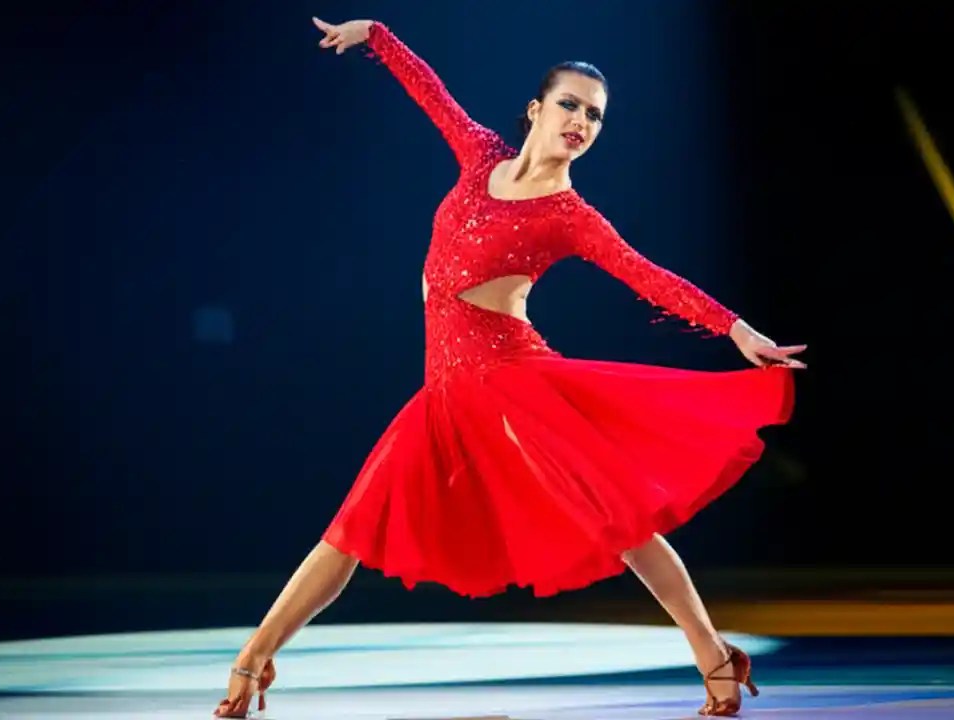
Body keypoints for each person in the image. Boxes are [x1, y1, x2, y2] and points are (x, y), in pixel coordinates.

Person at [213, 15, 806, 718]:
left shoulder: (571, 216)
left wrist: (735, 328)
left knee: (619, 520)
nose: (581, 121)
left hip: (513, 383)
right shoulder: (479, 156)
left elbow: (648, 277)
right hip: (443, 392)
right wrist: (375, 33)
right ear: (535, 109)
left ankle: (712, 655)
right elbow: (432, 94)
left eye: (594, 115)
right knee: (352, 530)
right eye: (570, 104)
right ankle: (253, 659)